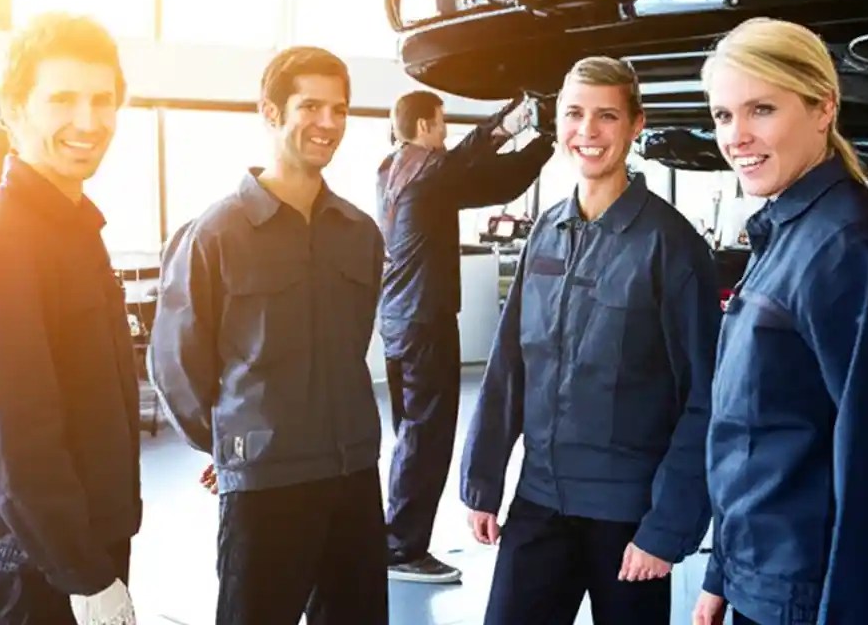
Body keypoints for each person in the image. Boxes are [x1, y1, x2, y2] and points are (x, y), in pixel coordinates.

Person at [460, 56, 722, 624]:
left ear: (635, 124)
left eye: (606, 116)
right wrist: (484, 478)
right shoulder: (545, 234)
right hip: (539, 500)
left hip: (628, 517)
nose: (588, 131)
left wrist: (668, 525)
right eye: (575, 113)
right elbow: (509, 366)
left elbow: (705, 397)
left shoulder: (671, 246)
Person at [691, 17, 868, 625]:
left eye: (761, 109)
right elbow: (754, 440)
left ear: (824, 107)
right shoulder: (783, 232)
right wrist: (723, 572)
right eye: (723, 115)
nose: (737, 136)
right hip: (756, 582)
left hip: (805, 600)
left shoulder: (856, 249)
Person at [149, 45, 388, 625]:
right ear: (272, 112)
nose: (328, 124)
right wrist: (228, 441)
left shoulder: (359, 233)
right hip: (266, 482)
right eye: (311, 106)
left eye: (339, 110)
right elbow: (175, 361)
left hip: (352, 471)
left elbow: (354, 340)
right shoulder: (216, 232)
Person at [0, 12, 141, 625]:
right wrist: (85, 575)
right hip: (30, 562)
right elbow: (13, 442)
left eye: (103, 100)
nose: (88, 122)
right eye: (62, 99)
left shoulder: (74, 229)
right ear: (12, 110)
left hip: (81, 543)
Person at [377, 90, 554, 583]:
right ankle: (401, 548)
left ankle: (396, 537)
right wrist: (512, 122)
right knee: (426, 437)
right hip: (424, 321)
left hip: (396, 322)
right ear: (426, 126)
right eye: (441, 125)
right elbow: (470, 157)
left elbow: (492, 182)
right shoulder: (427, 170)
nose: (445, 135)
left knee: (413, 435)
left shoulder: (392, 170)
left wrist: (542, 146)